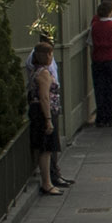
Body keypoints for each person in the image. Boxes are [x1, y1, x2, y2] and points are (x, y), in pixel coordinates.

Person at [27, 42, 66, 195]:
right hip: (44, 113)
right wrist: (48, 119)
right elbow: (44, 97)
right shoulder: (43, 73)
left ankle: (48, 181)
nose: (51, 57)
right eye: (50, 54)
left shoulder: (36, 71)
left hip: (41, 112)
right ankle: (47, 183)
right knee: (46, 148)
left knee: (47, 148)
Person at [89, 0, 112, 127]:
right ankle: (111, 116)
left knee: (100, 88)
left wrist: (93, 58)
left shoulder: (94, 26)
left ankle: (101, 116)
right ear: (110, 11)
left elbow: (91, 45)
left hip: (98, 60)